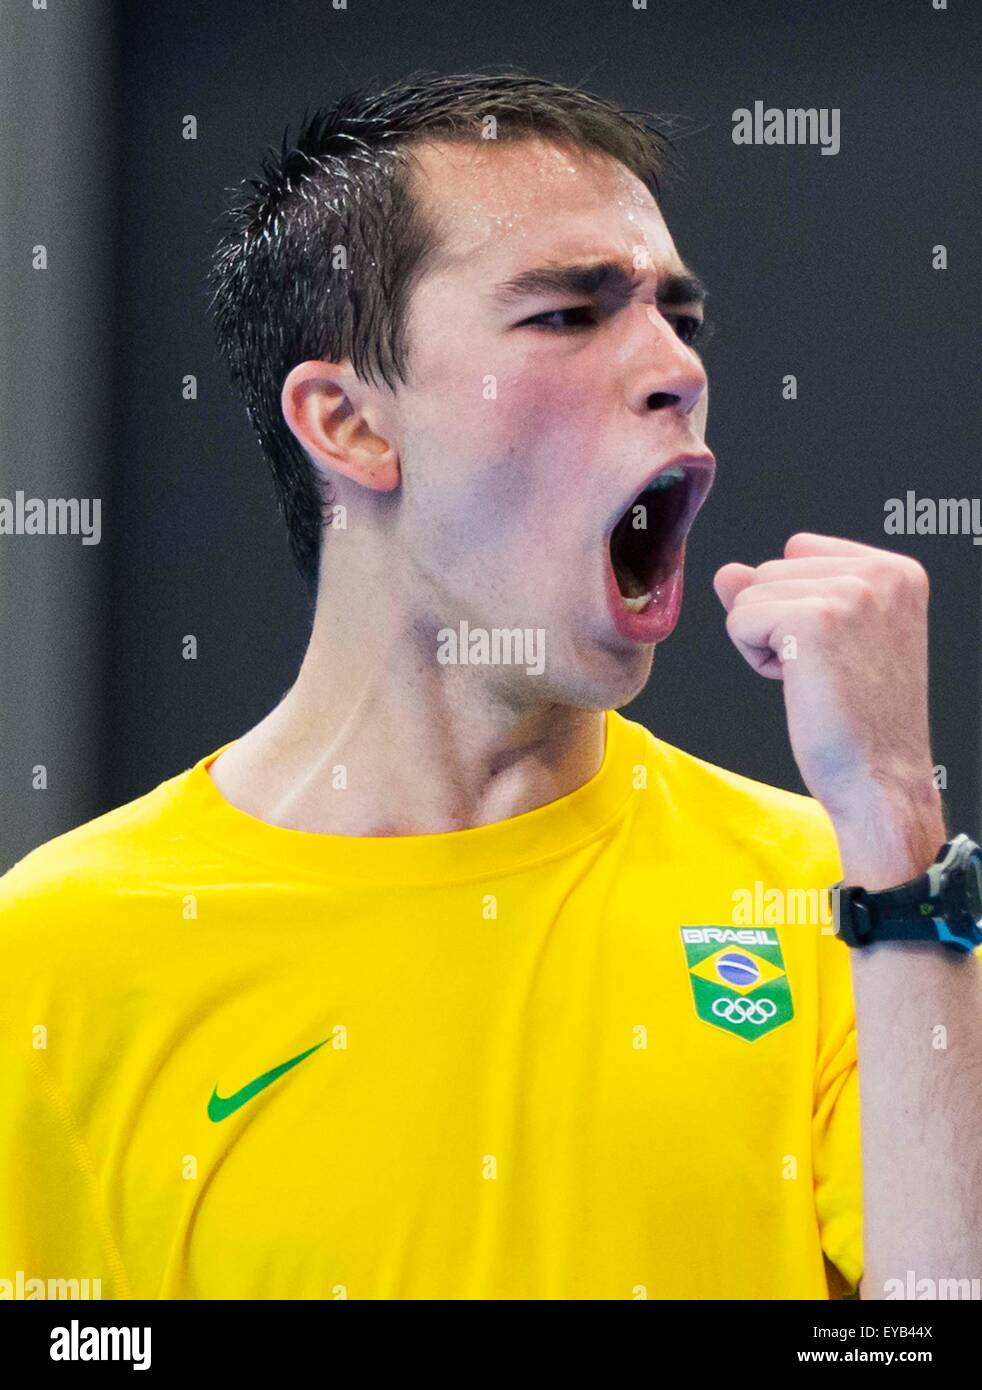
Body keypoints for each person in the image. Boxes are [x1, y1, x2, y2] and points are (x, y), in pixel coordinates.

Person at [2, 70, 979, 1302]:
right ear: (351, 424)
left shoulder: (847, 901)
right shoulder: (56, 954)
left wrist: (894, 815)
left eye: (680, 317)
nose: (676, 365)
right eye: (571, 314)